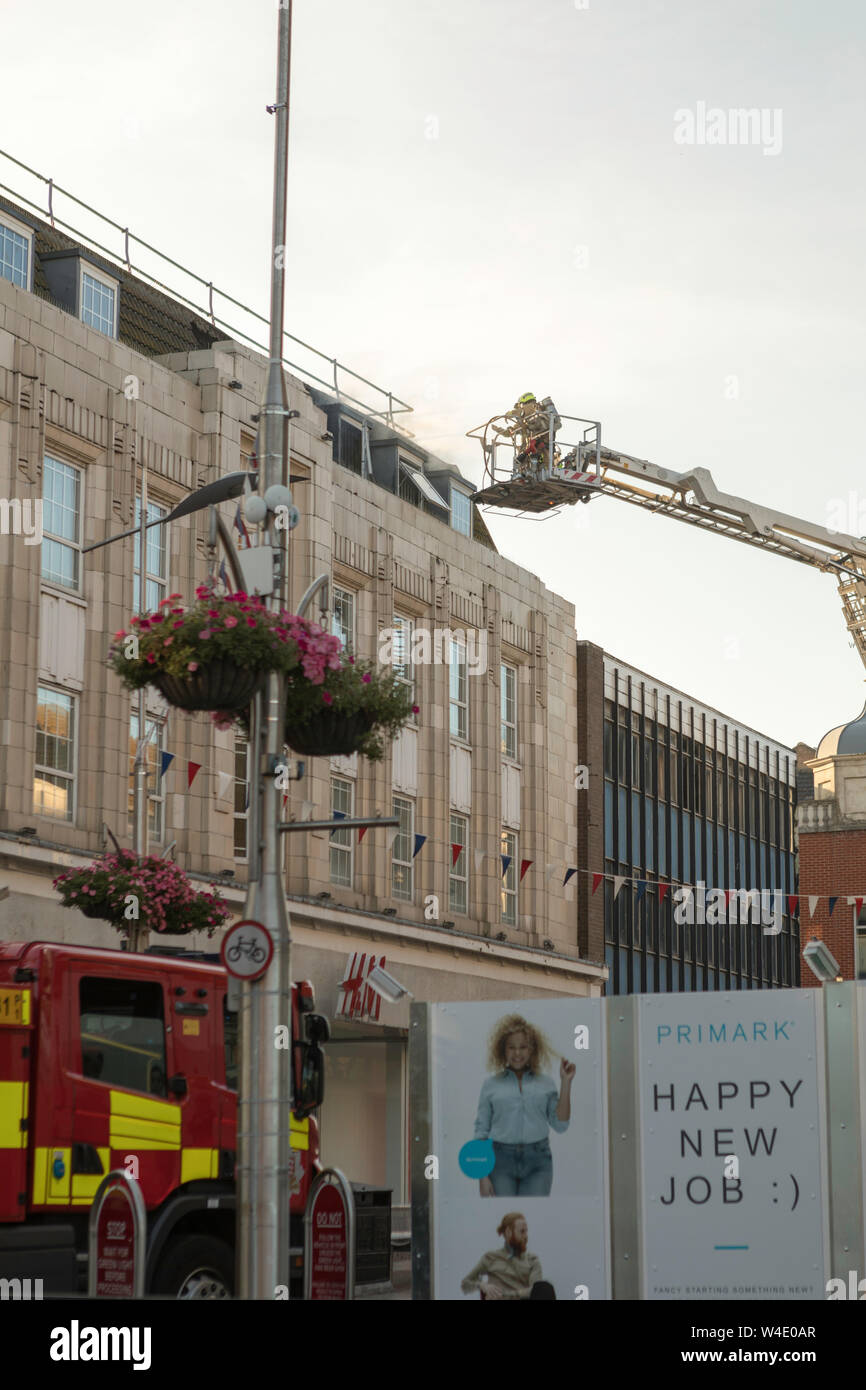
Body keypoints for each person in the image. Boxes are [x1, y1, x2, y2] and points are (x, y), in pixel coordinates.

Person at [474, 1013, 575, 1197]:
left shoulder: (546, 1083)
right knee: (505, 1218)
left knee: (535, 1221)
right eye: (511, 1047)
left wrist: (566, 1083)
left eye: (523, 1047)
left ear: (532, 1050)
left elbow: (560, 1124)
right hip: (499, 1161)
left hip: (538, 1162)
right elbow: (481, 1131)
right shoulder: (491, 1085)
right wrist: (482, 1176)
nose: (517, 1053)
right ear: (503, 1050)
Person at [461, 1213, 553, 1299]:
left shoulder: (532, 1260)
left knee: (545, 1288)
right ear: (509, 1232)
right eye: (522, 1232)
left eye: (526, 1231)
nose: (526, 1236)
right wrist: (482, 1285)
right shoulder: (490, 1257)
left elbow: (536, 1291)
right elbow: (465, 1284)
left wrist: (506, 1294)